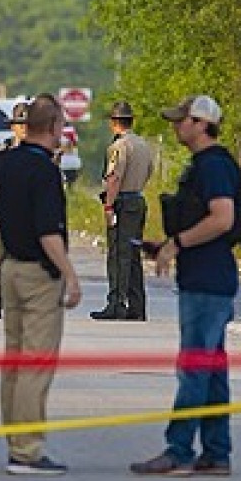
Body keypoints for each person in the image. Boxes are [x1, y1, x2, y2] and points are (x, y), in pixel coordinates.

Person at [130, 95, 241, 477]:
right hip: (207, 277)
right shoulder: (208, 165)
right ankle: (215, 452)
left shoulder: (213, 166)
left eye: (181, 121)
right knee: (211, 370)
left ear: (200, 123)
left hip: (208, 282)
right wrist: (165, 245)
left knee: (194, 367)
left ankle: (178, 450)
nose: (176, 127)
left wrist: (177, 244)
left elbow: (223, 218)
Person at [0, 94, 82, 476]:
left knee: (15, 362)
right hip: (38, 274)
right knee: (37, 363)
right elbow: (49, 232)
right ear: (52, 127)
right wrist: (70, 275)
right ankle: (27, 450)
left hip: (11, 268)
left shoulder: (9, 161)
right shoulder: (45, 172)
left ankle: (14, 441)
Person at [91, 101, 155, 321]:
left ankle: (116, 303)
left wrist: (109, 205)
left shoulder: (119, 147)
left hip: (123, 203)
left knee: (118, 254)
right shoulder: (143, 145)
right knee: (134, 254)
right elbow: (149, 172)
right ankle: (137, 306)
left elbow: (114, 178)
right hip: (138, 200)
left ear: (114, 122)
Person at [0, 102, 30, 317]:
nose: (25, 129)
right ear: (13, 127)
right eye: (20, 124)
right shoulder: (3, 152)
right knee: (1, 257)